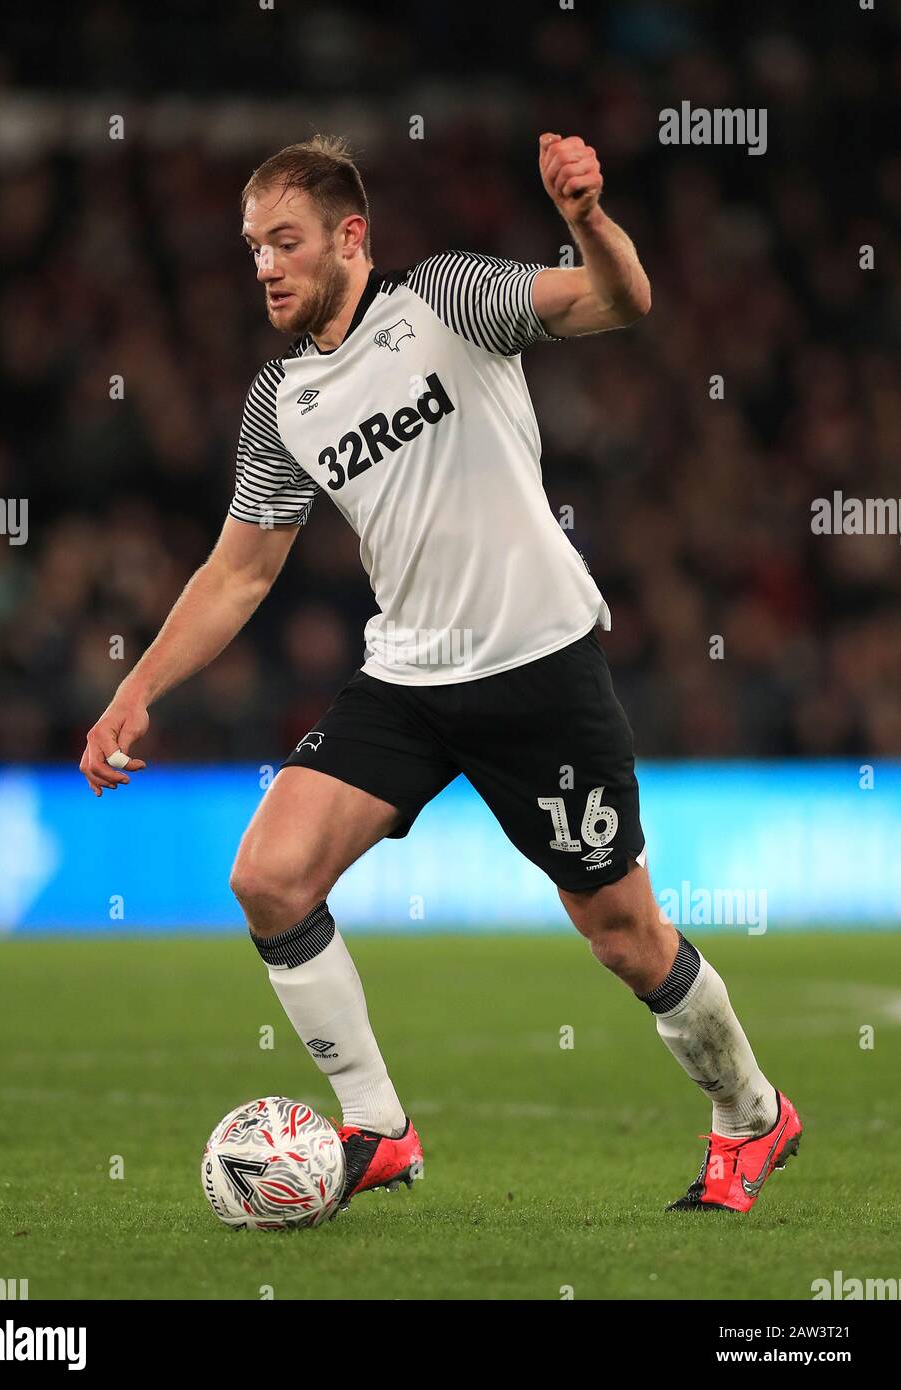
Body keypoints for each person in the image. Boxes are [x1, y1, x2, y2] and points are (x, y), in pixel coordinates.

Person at [80, 133, 801, 1213]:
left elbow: (624, 303)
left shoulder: (448, 299)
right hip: (408, 677)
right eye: (252, 248)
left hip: (538, 667)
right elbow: (238, 571)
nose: (266, 266)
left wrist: (588, 219)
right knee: (268, 878)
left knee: (624, 937)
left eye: (286, 241)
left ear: (351, 237)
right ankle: (378, 1128)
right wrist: (137, 689)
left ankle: (753, 1113)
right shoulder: (284, 400)